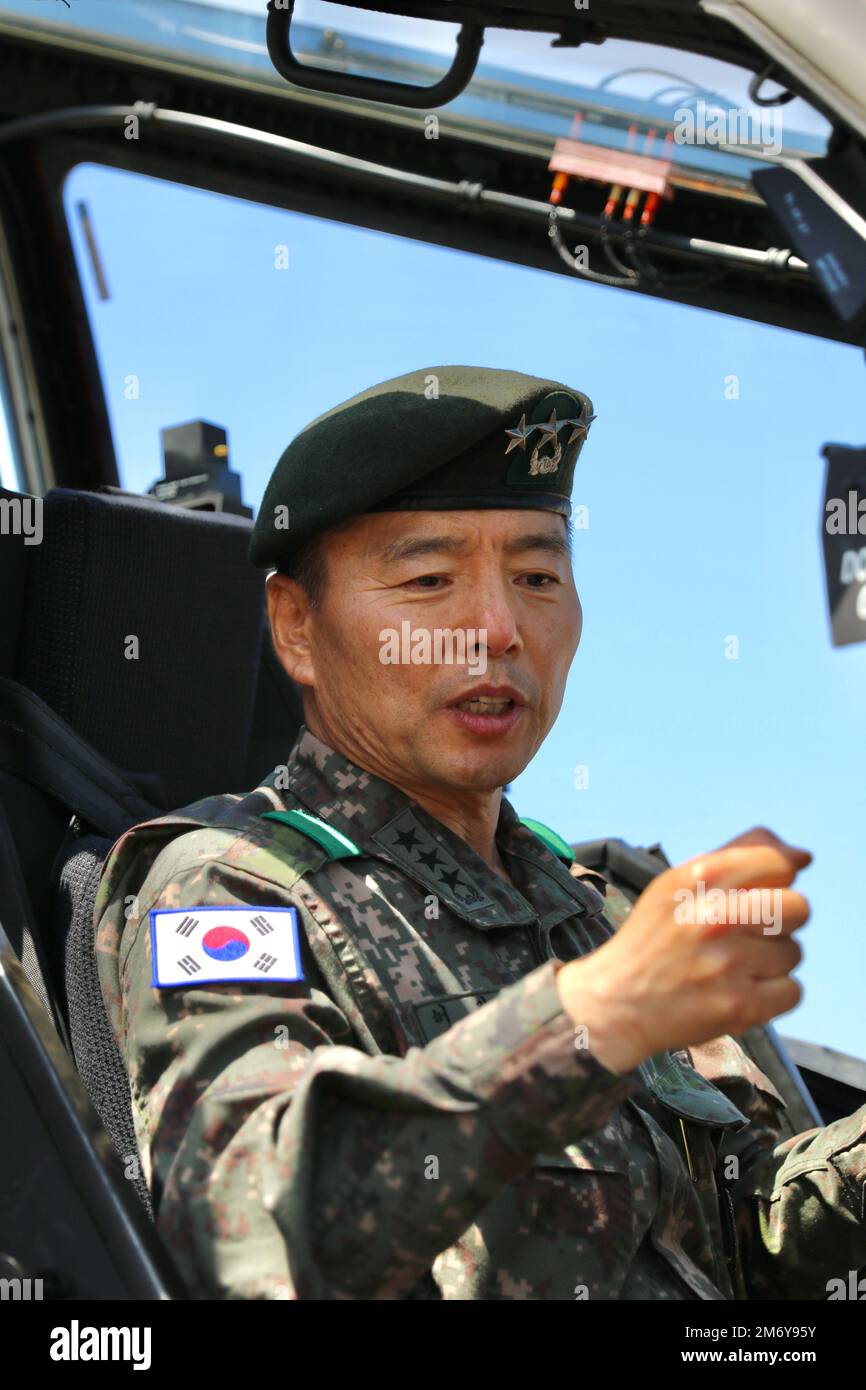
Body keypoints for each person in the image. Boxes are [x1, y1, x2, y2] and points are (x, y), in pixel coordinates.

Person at [93, 365, 866, 1300]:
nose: (497, 628)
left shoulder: (590, 910)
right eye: (429, 579)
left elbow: (742, 1230)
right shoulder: (231, 889)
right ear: (297, 628)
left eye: (538, 576)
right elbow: (250, 1227)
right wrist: (595, 1017)